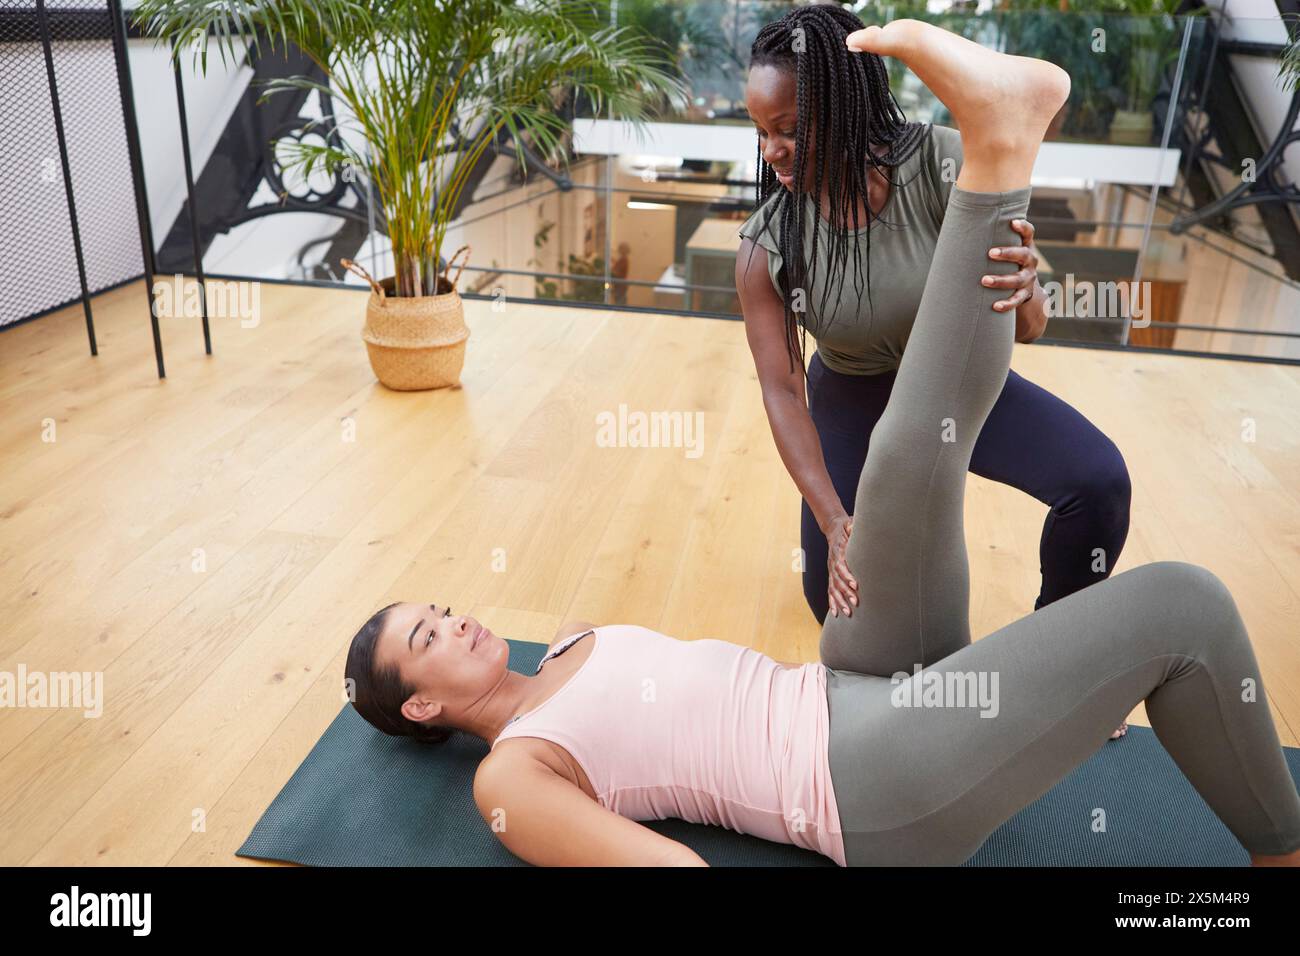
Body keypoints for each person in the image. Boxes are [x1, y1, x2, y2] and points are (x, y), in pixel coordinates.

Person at [344, 19, 1300, 868]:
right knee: (1185, 603)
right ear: (423, 707)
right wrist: (828, 524)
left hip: (842, 684)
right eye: (428, 637)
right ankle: (1004, 141)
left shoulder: (563, 648)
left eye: (437, 606)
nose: (457, 618)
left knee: (919, 467)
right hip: (865, 782)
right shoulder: (509, 780)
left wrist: (1025, 292)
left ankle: (1001, 144)